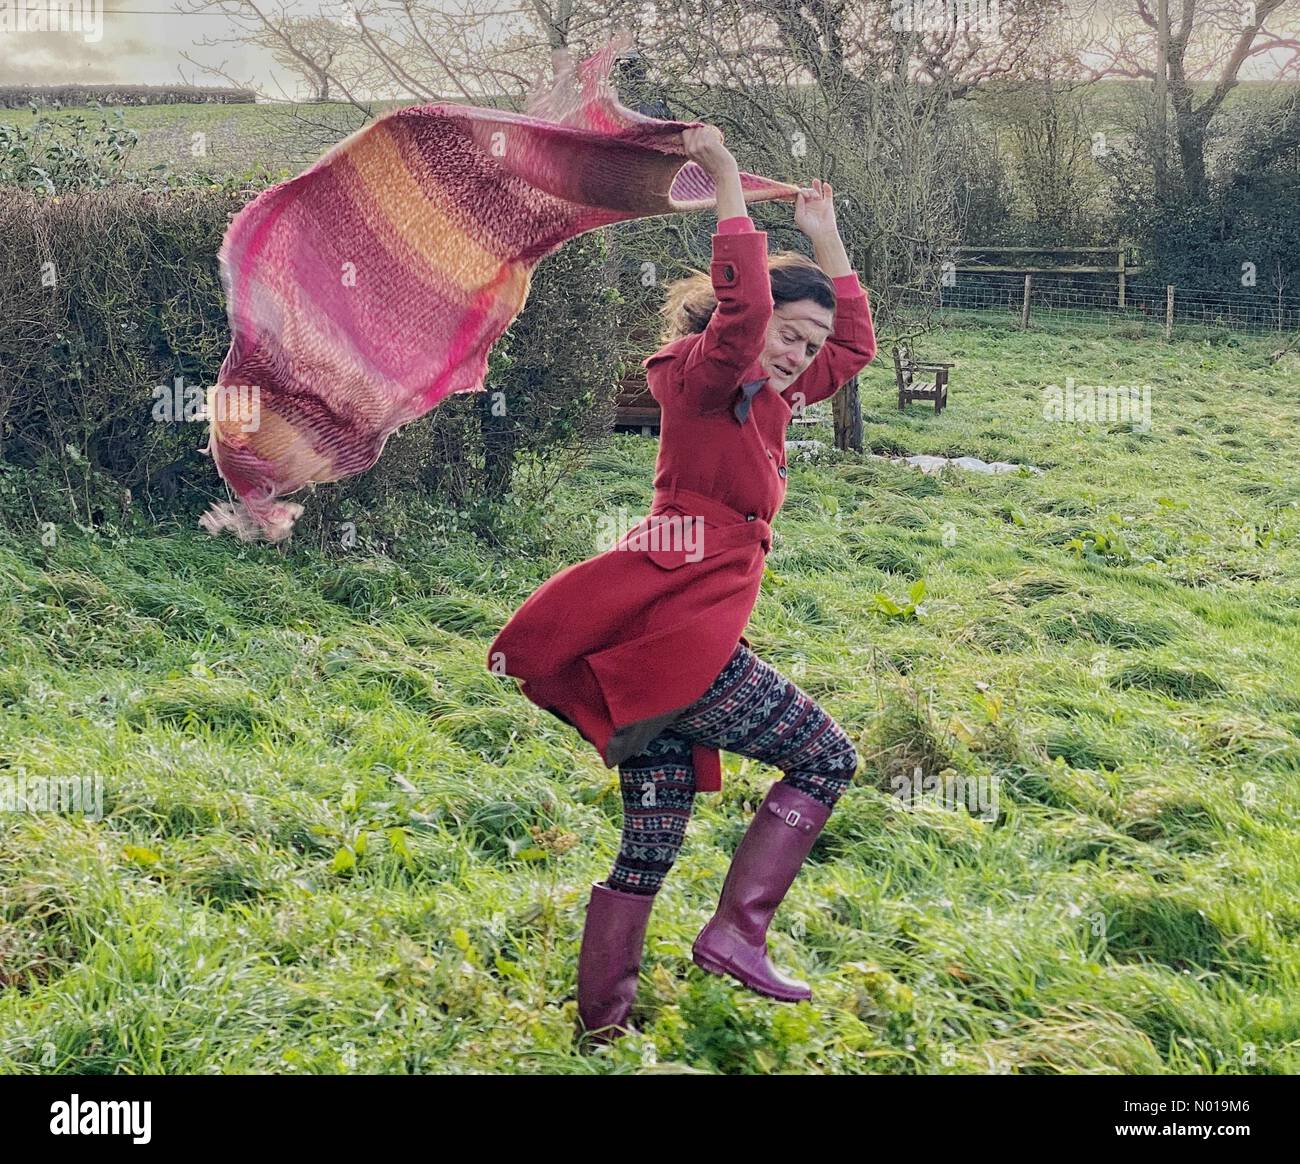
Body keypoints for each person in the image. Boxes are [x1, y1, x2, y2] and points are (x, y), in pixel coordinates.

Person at [486, 124, 879, 1047]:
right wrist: (731, 183)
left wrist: (824, 237)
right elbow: (740, 320)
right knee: (827, 759)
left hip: (671, 643)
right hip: (679, 644)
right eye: (791, 333)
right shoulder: (701, 379)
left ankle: (600, 1034)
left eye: (807, 342)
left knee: (649, 843)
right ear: (750, 320)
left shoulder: (772, 396)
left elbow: (854, 349)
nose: (799, 353)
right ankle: (739, 932)